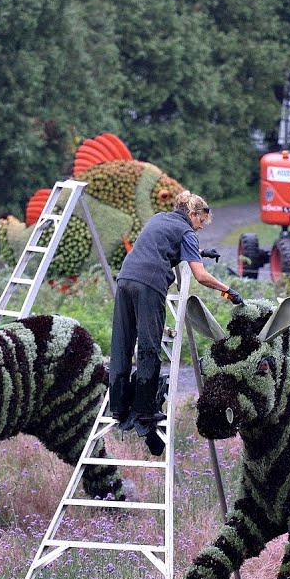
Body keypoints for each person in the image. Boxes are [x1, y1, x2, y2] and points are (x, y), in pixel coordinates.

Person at [110, 191, 241, 454]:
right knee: (148, 347)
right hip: (149, 285)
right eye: (201, 221)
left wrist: (201, 251)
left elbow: (160, 245)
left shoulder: (159, 218)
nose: (201, 226)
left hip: (126, 279)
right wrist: (228, 291)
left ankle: (119, 406)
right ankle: (145, 413)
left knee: (121, 343)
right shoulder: (187, 233)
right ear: (193, 213)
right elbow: (201, 276)